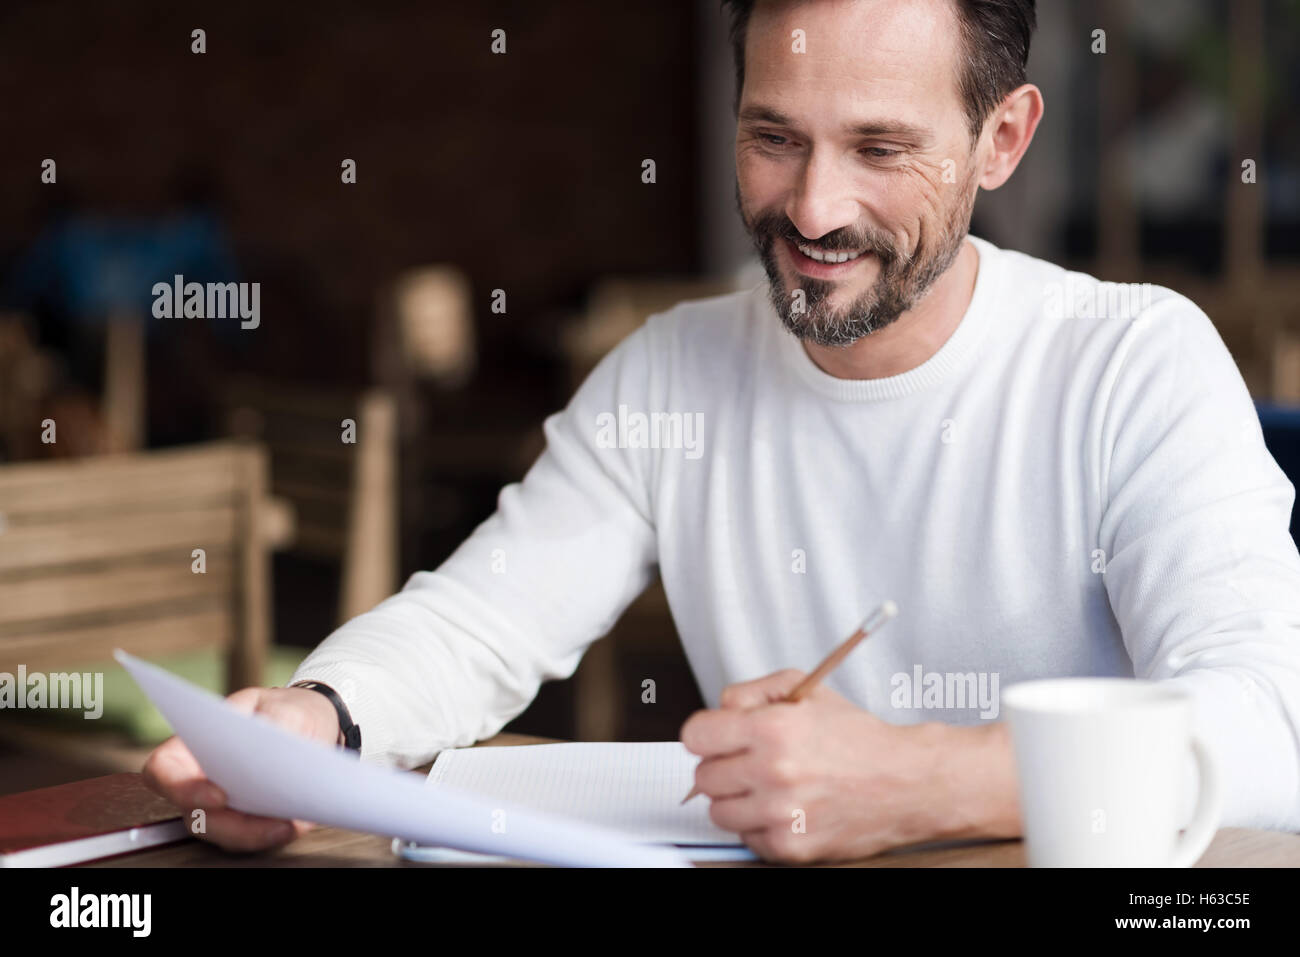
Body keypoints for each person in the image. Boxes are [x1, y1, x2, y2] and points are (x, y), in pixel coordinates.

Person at [145, 0, 1300, 862]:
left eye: (879, 149)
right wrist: (321, 725)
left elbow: (1271, 733)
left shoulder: (1134, 361)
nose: (811, 210)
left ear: (1000, 140)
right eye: (772, 137)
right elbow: (480, 622)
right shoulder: (670, 372)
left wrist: (924, 781)